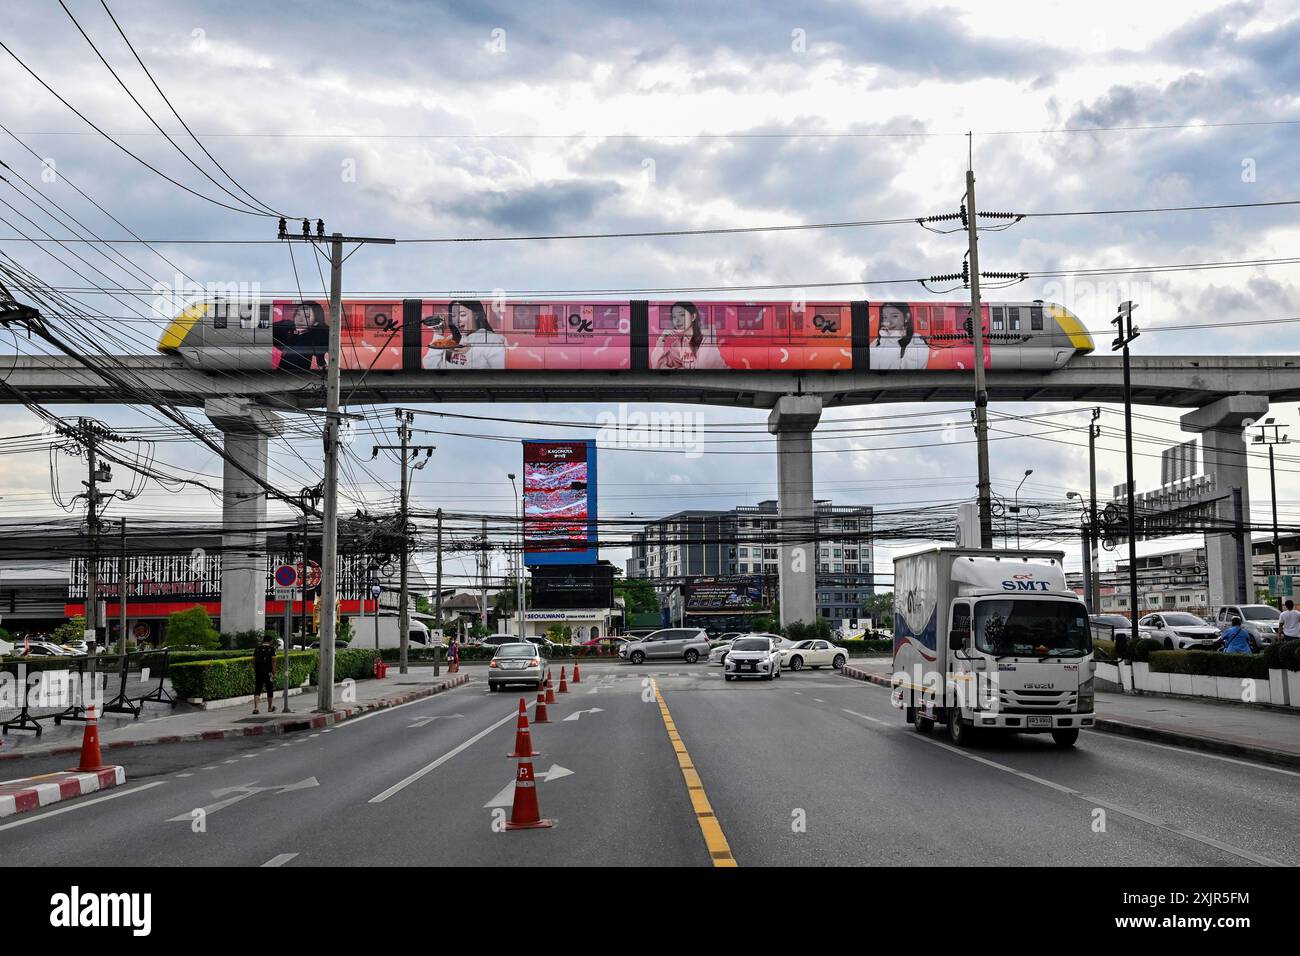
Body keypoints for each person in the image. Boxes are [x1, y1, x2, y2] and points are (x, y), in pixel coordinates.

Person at [651, 302, 724, 369]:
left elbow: (704, 367)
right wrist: (662, 338)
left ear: (693, 317)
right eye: (674, 317)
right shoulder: (678, 344)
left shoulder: (707, 335)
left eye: (682, 315)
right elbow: (657, 365)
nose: (677, 320)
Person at [869, 302, 928, 370]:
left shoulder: (917, 340)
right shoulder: (877, 341)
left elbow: (904, 371)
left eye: (894, 316)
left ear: (906, 317)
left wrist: (891, 339)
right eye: (884, 317)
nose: (888, 321)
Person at [252, 633, 278, 714]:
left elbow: (253, 660)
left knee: (257, 689)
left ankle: (256, 708)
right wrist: (274, 672)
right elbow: (273, 662)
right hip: (268, 672)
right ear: (270, 641)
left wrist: (256, 669)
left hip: (258, 671)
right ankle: (270, 707)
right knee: (269, 689)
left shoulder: (257, 649)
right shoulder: (272, 649)